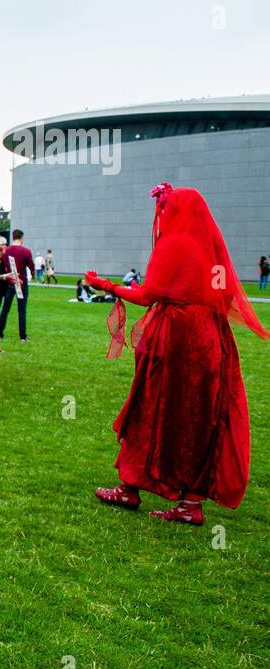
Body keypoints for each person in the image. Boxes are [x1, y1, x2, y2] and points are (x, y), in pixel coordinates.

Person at [88, 184, 267, 524]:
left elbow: (147, 295)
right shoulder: (207, 247)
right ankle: (190, 503)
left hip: (178, 338)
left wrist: (106, 286)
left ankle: (130, 487)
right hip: (211, 338)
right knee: (198, 415)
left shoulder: (174, 244)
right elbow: (220, 294)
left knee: (151, 407)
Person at [0, 228, 35, 343]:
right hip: (21, 283)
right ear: (21, 238)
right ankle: (22, 336)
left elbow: (1, 263)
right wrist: (32, 274)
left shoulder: (6, 250)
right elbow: (31, 266)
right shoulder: (26, 251)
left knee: (5, 309)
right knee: (21, 310)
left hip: (9, 282)